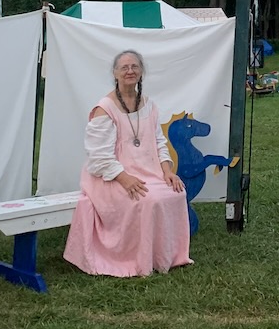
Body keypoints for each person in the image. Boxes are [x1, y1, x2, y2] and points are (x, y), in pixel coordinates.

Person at [64, 49, 192, 277]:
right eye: (124, 67)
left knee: (176, 192)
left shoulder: (149, 106)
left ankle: (164, 256)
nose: (130, 71)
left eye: (134, 67)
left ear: (141, 72)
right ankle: (136, 258)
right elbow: (99, 157)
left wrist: (167, 171)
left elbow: (159, 142)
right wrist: (124, 178)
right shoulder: (105, 108)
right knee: (149, 199)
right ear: (115, 73)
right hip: (109, 179)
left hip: (149, 174)